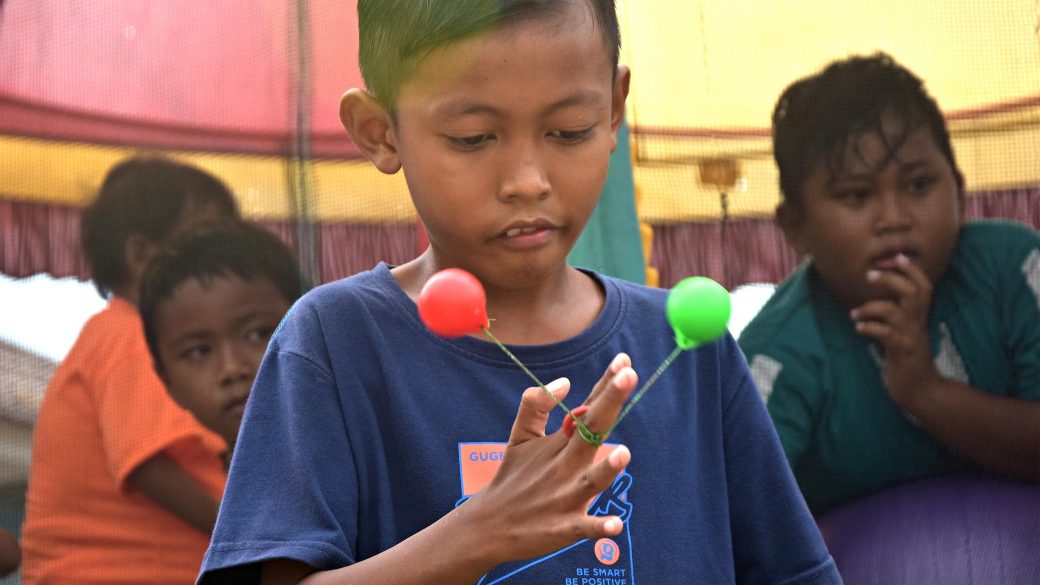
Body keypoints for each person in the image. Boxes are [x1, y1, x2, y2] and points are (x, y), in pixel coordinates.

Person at [199, 2, 841, 584]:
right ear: (379, 131)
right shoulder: (336, 345)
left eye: (568, 131)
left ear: (615, 109)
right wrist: (476, 535)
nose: (527, 182)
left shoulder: (689, 352)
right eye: (473, 138)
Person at [739, 53, 1040, 517]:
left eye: (919, 185)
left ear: (959, 193)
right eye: (857, 195)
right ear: (796, 226)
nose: (894, 219)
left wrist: (925, 391)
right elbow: (726, 510)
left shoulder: (1017, 270)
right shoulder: (777, 353)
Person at [21, 156, 240, 585]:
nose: (228, 261)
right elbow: (150, 463)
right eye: (209, 245)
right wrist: (247, 539)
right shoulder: (132, 336)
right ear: (142, 255)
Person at [139, 220, 304, 462]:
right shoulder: (232, 495)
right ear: (167, 382)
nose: (233, 369)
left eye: (258, 333)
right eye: (198, 352)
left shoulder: (365, 459)